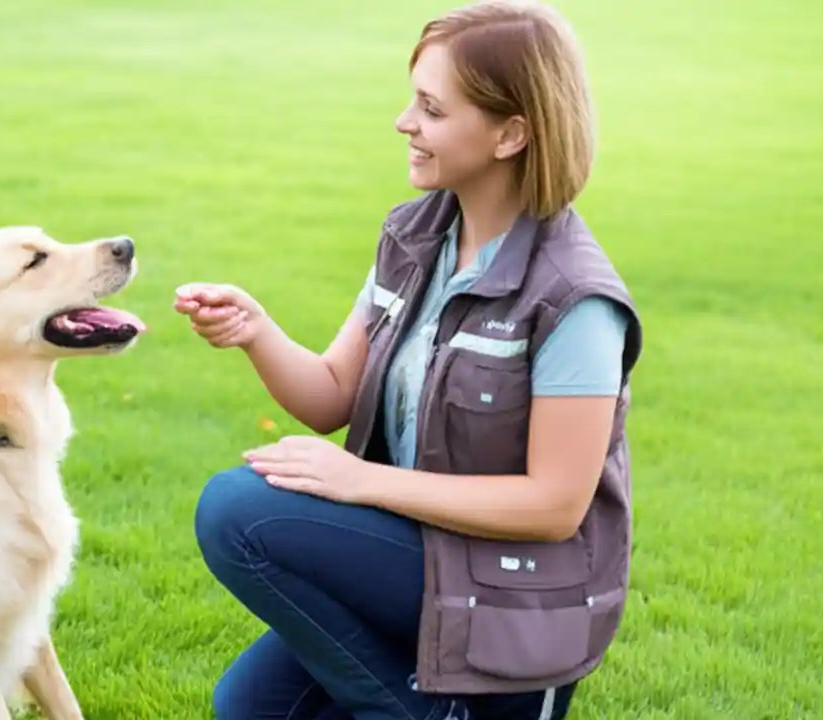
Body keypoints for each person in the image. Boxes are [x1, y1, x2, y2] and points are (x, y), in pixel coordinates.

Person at [172, 2, 643, 719]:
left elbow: (554, 506)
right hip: (423, 559)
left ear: (511, 133)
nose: (404, 122)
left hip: (513, 602)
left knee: (236, 510)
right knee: (250, 708)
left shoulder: (575, 299)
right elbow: (333, 394)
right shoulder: (416, 233)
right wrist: (256, 330)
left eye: (431, 108)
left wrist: (361, 480)